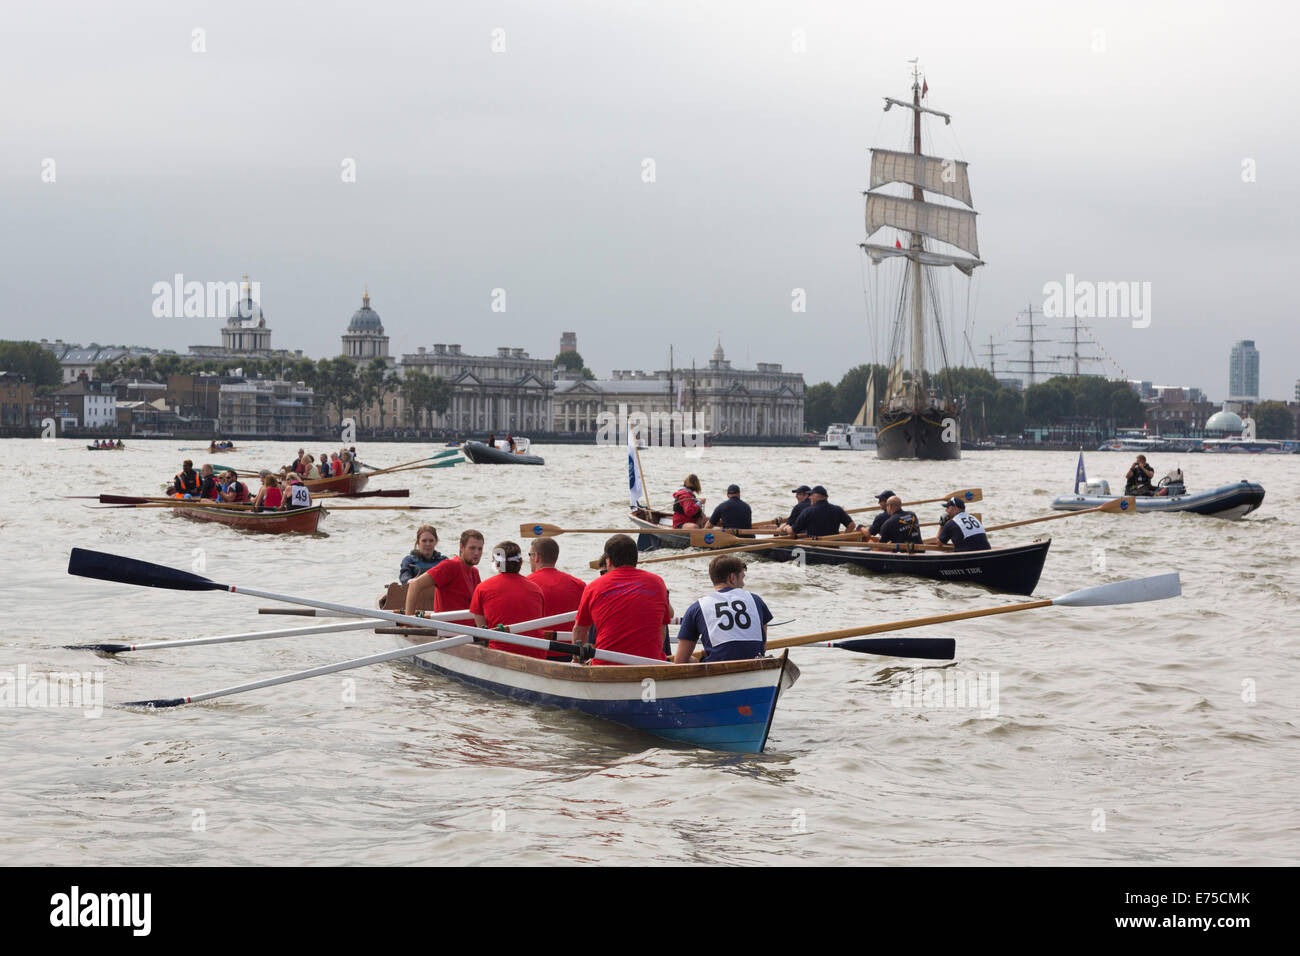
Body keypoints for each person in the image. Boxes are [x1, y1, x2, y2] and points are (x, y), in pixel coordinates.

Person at [572, 534, 672, 665]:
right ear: (635, 558)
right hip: (650, 665)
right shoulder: (658, 583)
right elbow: (662, 628)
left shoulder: (593, 586)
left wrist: (577, 659)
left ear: (608, 561)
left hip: (606, 668)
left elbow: (579, 630)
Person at [673, 556, 773, 664]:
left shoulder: (697, 608)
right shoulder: (756, 600)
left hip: (716, 670)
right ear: (732, 578)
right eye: (742, 578)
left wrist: (695, 661)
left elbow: (680, 661)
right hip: (755, 665)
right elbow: (762, 646)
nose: (743, 584)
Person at [471, 541, 548, 659]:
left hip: (500, 653)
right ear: (521, 563)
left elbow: (483, 632)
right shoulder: (536, 589)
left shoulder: (482, 588)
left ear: (496, 564)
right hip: (536, 653)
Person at [527, 536, 589, 661]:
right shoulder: (579, 584)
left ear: (537, 557)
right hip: (571, 653)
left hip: (539, 653)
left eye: (529, 555)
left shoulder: (526, 584)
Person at [405, 529, 484, 618]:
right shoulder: (450, 566)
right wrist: (408, 620)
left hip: (470, 628)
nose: (477, 553)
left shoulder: (475, 572)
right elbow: (415, 585)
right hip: (449, 629)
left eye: (480, 549)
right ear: (462, 547)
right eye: (472, 548)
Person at [791, 485, 857, 537]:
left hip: (813, 546)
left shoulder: (808, 511)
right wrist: (843, 539)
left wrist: (786, 529)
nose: (809, 497)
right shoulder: (838, 509)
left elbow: (792, 532)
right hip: (833, 545)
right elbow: (851, 525)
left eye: (811, 495)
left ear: (817, 496)